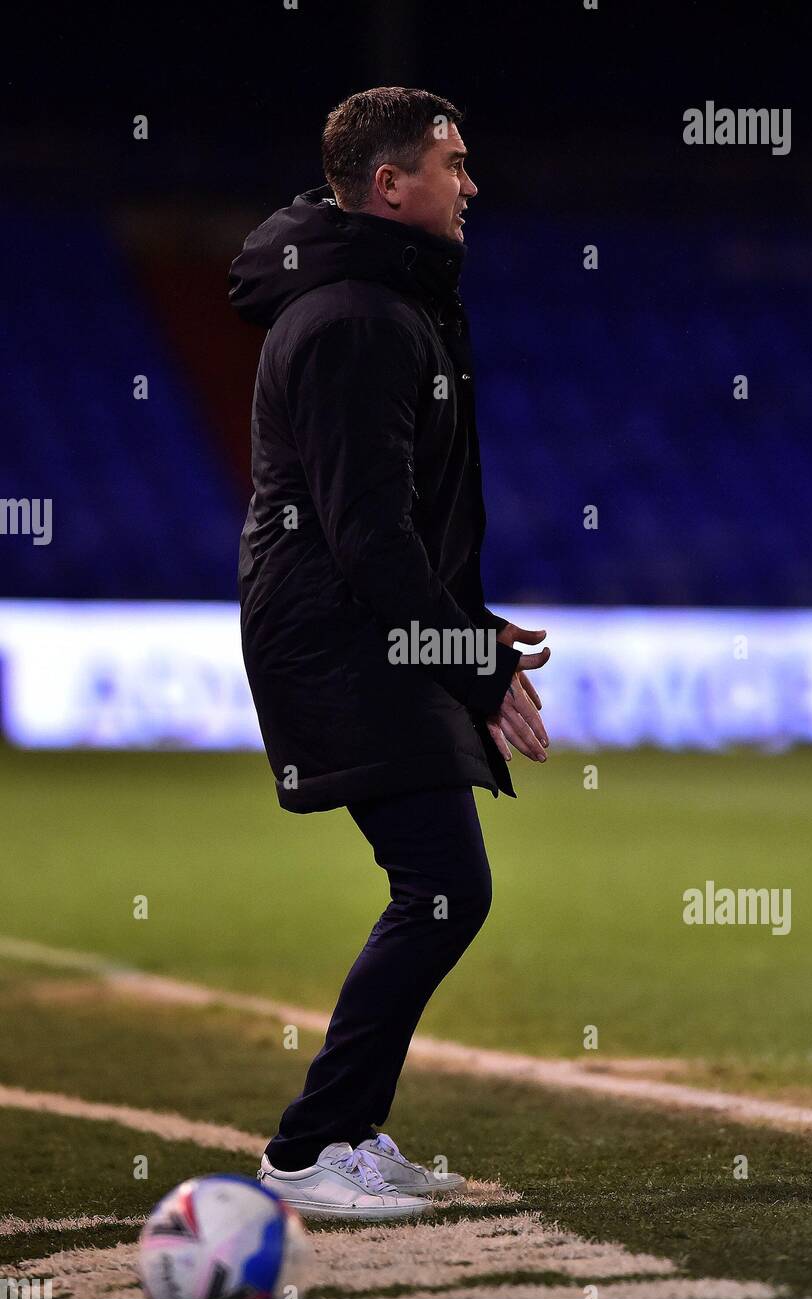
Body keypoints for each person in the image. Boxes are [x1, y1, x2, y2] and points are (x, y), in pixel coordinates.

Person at [229, 86, 550, 1220]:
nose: (470, 184)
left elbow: (394, 523)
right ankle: (311, 1146)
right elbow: (367, 534)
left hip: (356, 622)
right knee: (444, 888)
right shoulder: (360, 316)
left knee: (441, 888)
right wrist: (475, 659)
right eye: (452, 164)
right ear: (388, 185)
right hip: (338, 632)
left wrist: (474, 631)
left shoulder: (380, 302)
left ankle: (347, 1131)